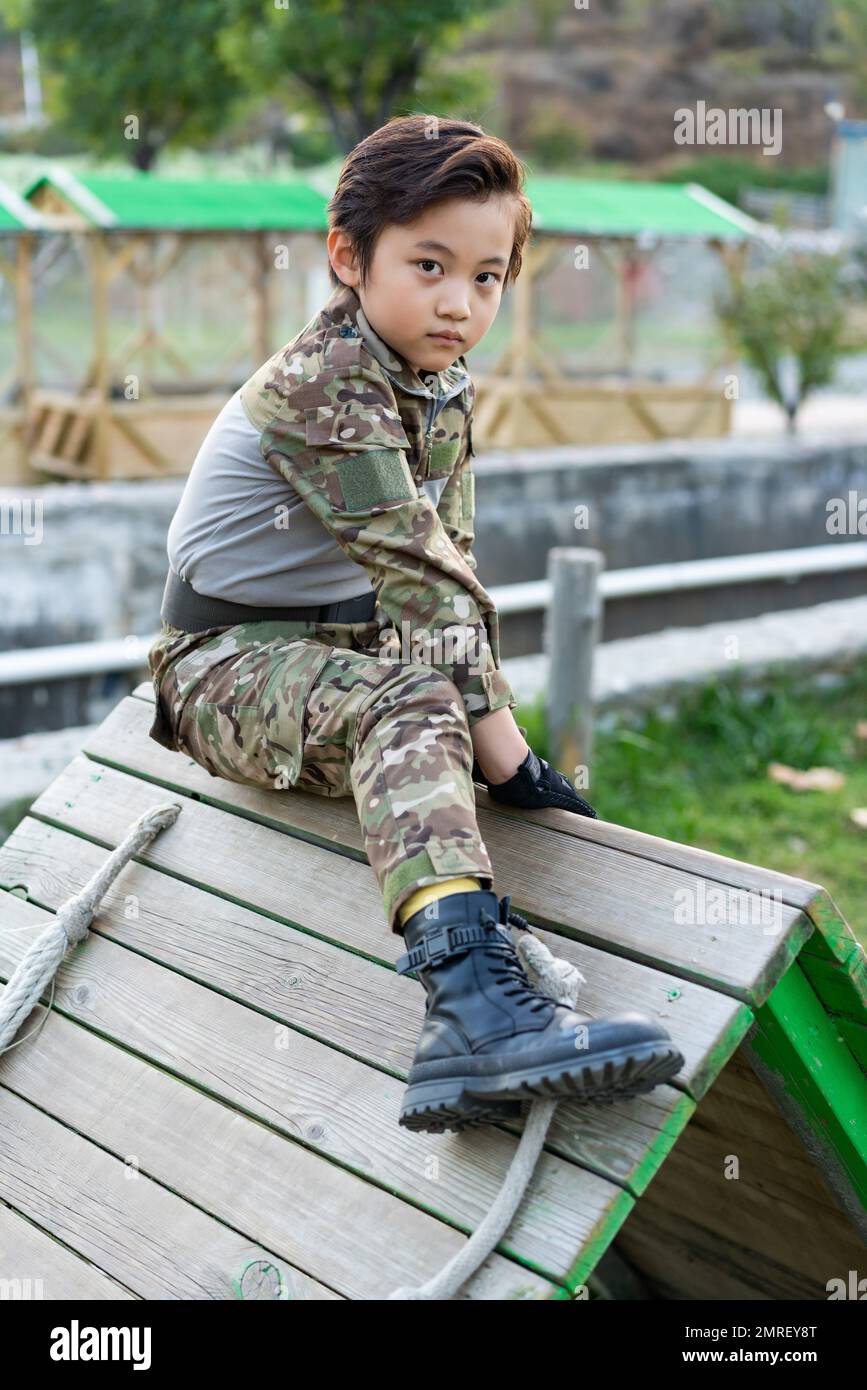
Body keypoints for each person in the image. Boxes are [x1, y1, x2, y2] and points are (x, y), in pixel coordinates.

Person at [148, 114, 683, 1133]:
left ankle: (470, 1027)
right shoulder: (327, 382)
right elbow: (420, 584)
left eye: (487, 277)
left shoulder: (437, 382)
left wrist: (506, 753)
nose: (459, 302)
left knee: (433, 700)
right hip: (222, 664)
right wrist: (508, 756)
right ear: (350, 258)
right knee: (415, 699)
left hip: (335, 648)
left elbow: (453, 567)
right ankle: (473, 1014)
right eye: (429, 264)